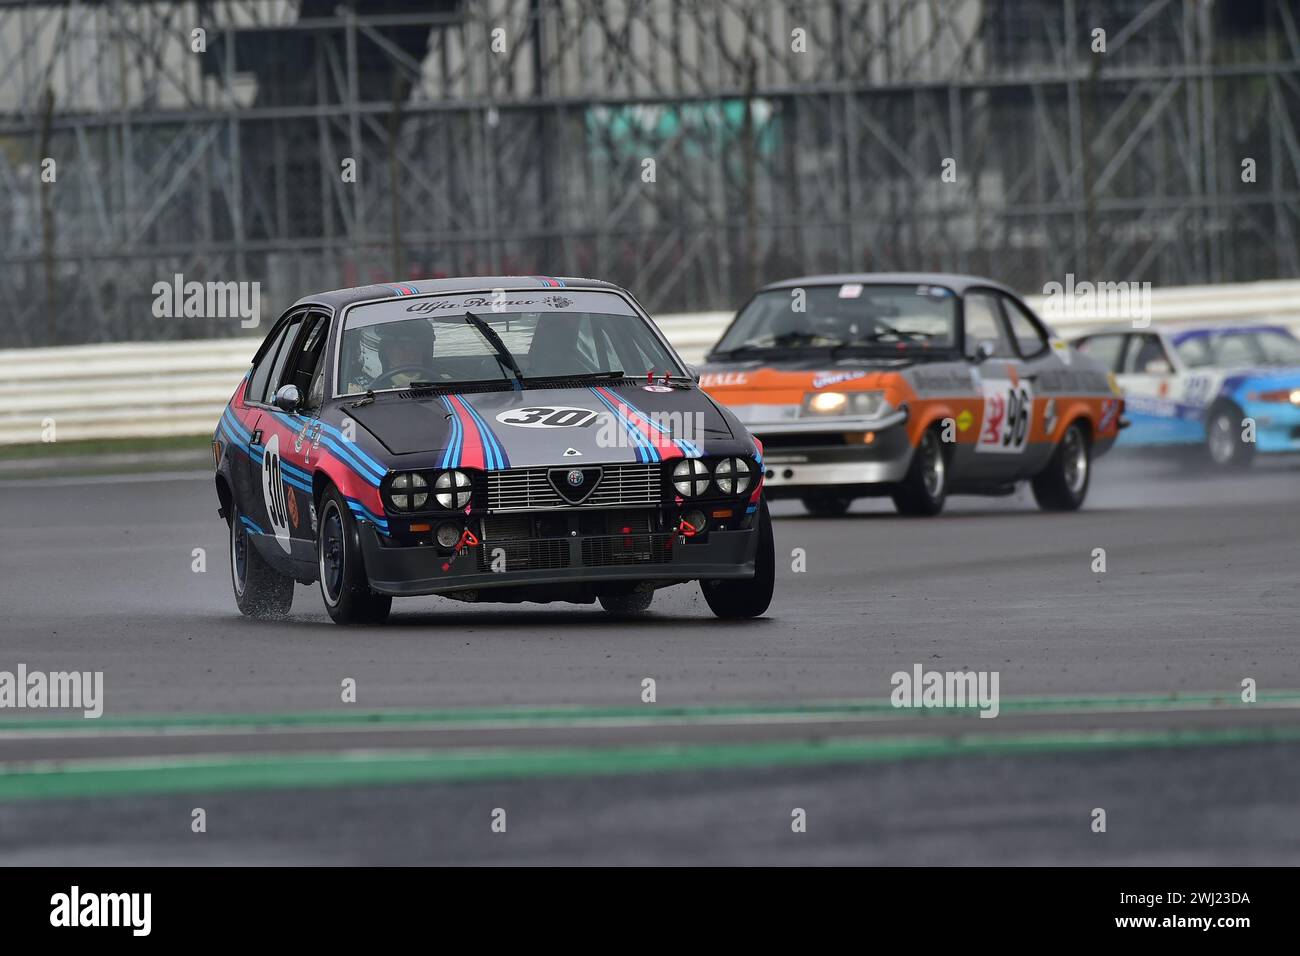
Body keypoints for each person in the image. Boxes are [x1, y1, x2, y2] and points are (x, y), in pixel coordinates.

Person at [372, 319, 437, 388]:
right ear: (387, 351)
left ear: (425, 351)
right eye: (402, 348)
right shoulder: (373, 390)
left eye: (416, 348)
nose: (411, 356)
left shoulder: (443, 382)